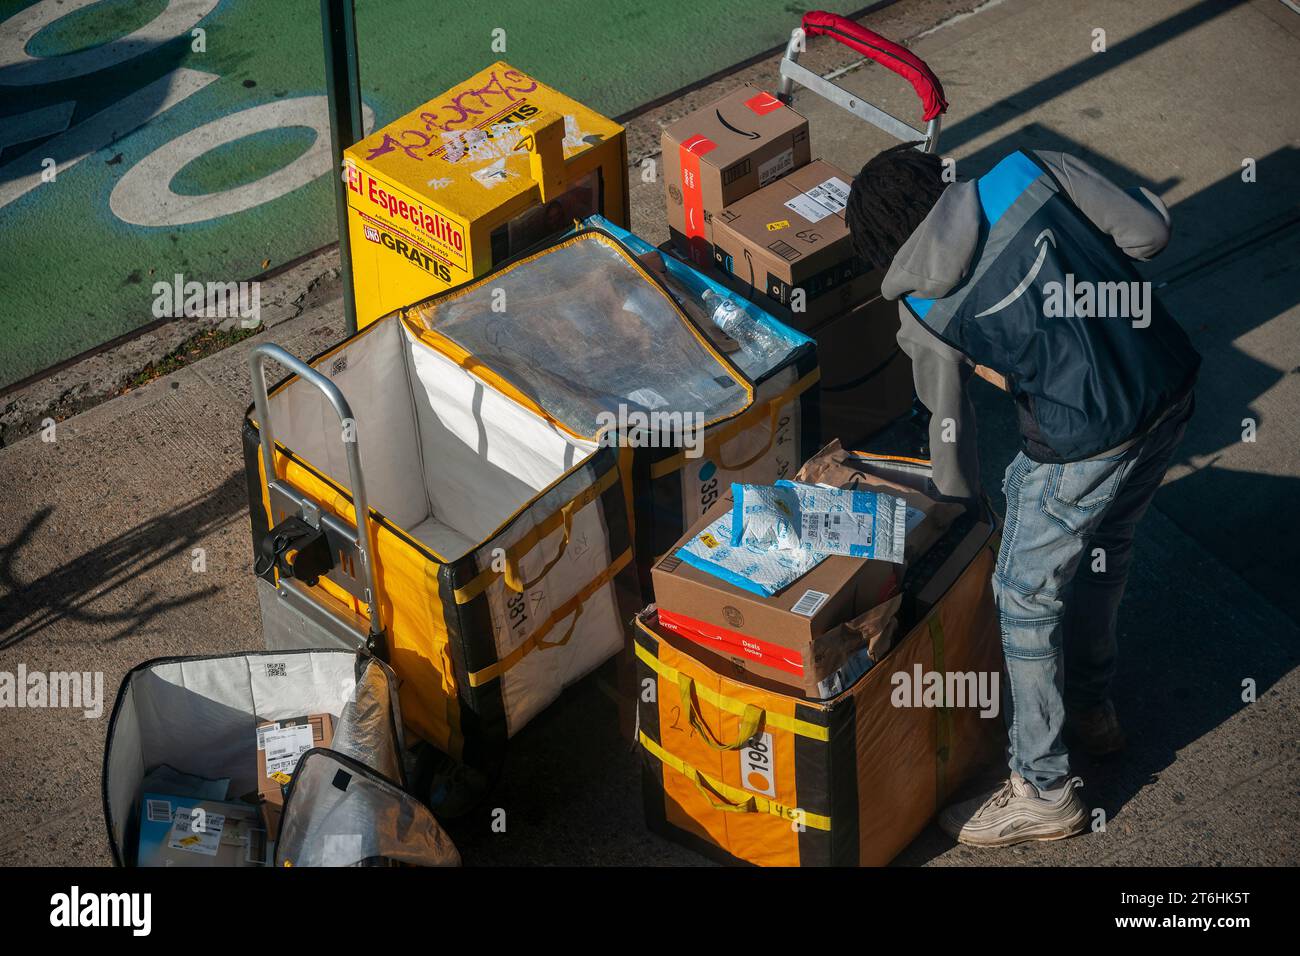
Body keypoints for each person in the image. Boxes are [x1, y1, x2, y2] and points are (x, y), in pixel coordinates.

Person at [845, 144, 1200, 847]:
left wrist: (959, 517)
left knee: (1023, 592)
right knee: (1106, 547)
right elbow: (1149, 234)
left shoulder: (920, 307)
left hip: (1084, 438)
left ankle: (1041, 789)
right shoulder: (1024, 170)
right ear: (936, 178)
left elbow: (950, 438)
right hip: (1167, 382)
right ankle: (1091, 711)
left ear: (884, 246)